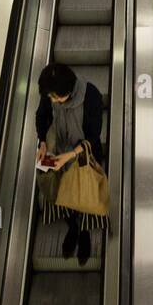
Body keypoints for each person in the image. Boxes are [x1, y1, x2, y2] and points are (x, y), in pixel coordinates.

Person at [35, 61, 104, 266]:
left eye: (57, 97)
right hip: (58, 154)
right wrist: (43, 142)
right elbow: (42, 116)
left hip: (84, 155)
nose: (53, 101)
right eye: (51, 97)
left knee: (83, 195)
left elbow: (93, 137)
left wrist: (70, 155)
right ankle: (72, 227)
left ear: (69, 91)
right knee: (60, 193)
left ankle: (83, 233)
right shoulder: (51, 94)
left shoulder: (91, 96)